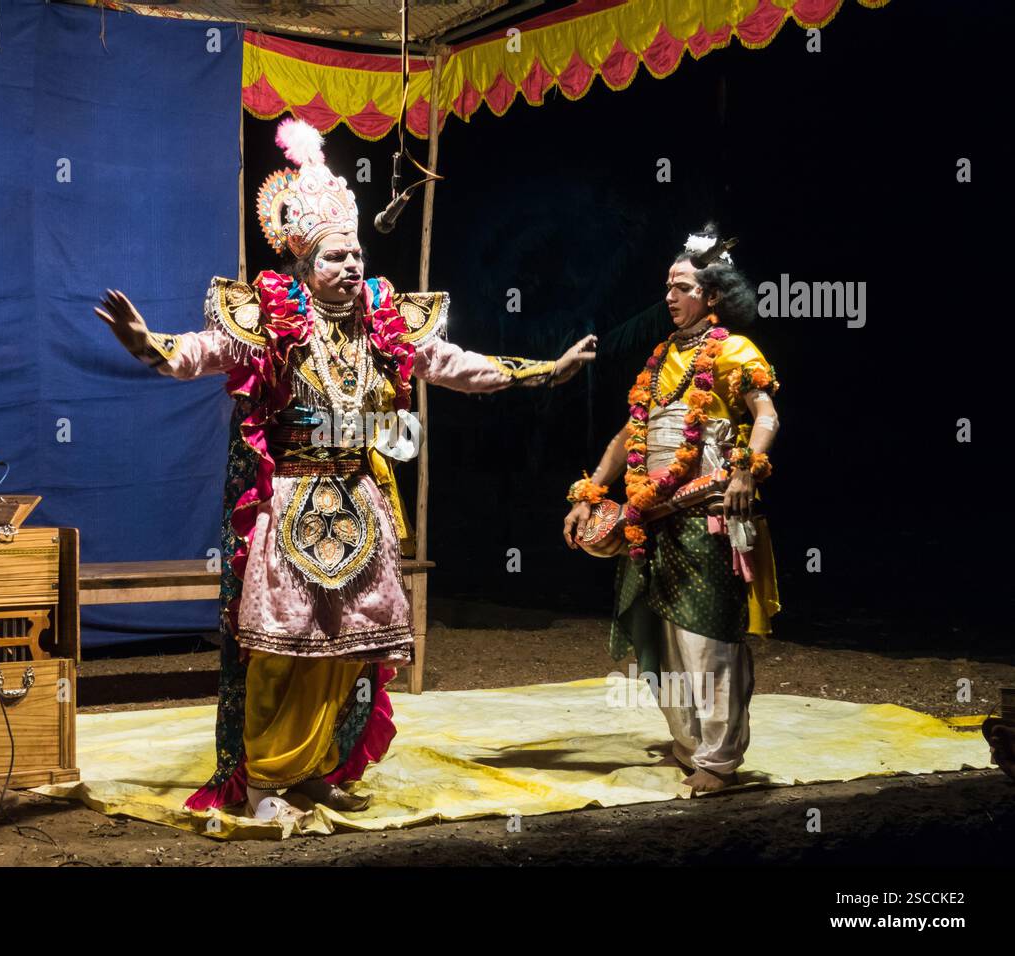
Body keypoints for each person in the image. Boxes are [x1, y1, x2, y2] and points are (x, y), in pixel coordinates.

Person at [97, 119, 597, 818]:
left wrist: (543, 371)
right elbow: (200, 353)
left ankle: (320, 767)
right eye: (335, 256)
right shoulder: (268, 320)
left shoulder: (386, 321)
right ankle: (269, 778)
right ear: (303, 265)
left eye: (357, 253)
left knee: (350, 651)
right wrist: (148, 343)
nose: (352, 265)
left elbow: (458, 366)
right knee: (285, 648)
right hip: (290, 502)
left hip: (360, 502)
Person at [564, 226, 781, 794]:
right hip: (650, 524)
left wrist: (742, 470)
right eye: (667, 286)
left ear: (712, 296)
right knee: (658, 642)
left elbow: (767, 417)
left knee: (708, 641)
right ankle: (690, 745)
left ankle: (717, 758)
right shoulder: (659, 361)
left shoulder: (734, 352)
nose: (669, 296)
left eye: (681, 286)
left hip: (707, 518)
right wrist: (591, 491)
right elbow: (627, 434)